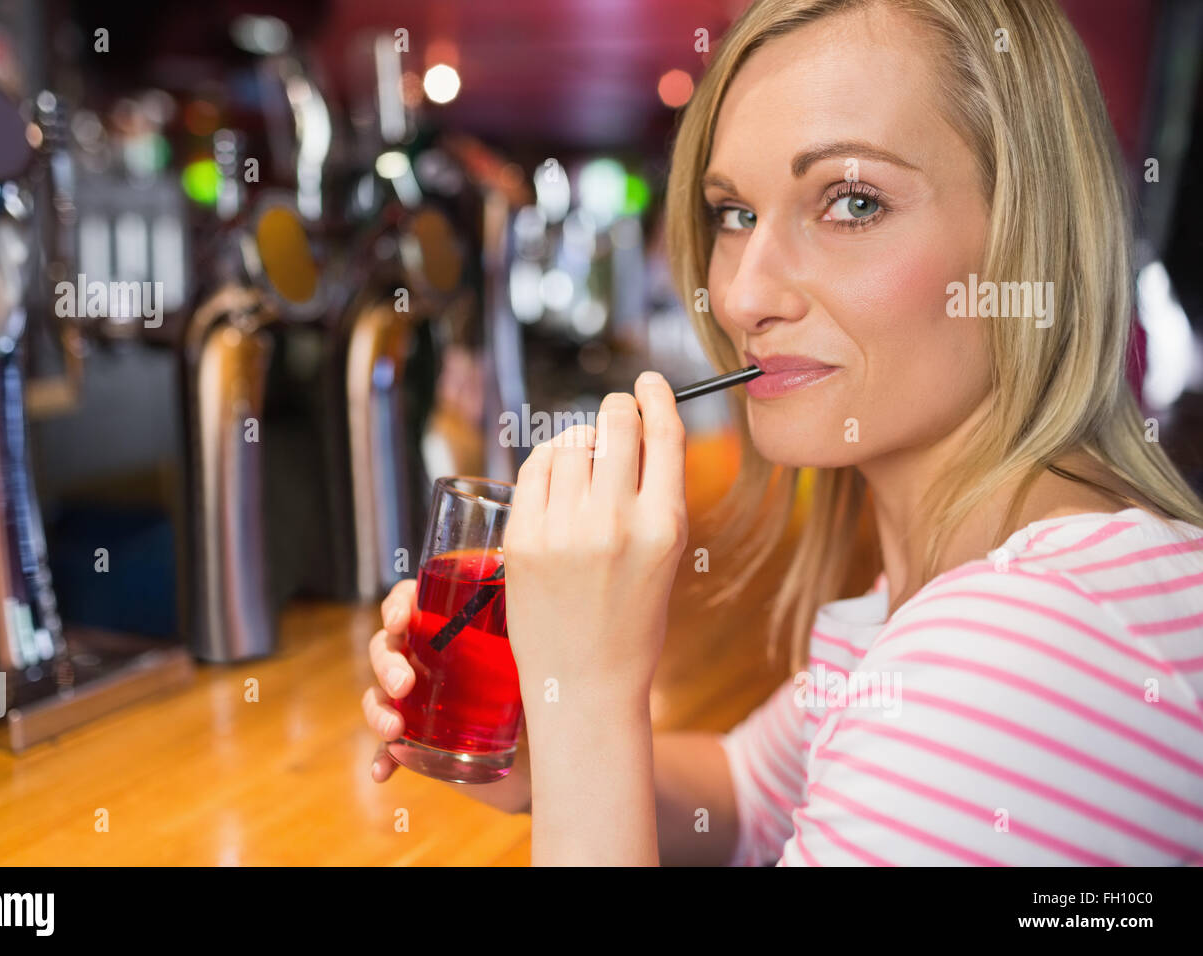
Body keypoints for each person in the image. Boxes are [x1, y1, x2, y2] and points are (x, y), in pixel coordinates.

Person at [361, 0, 1203, 865]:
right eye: (735, 214)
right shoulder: (981, 590)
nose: (742, 297)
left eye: (852, 201)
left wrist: (586, 696)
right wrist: (547, 757)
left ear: (1032, 240)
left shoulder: (1014, 655)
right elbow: (747, 793)